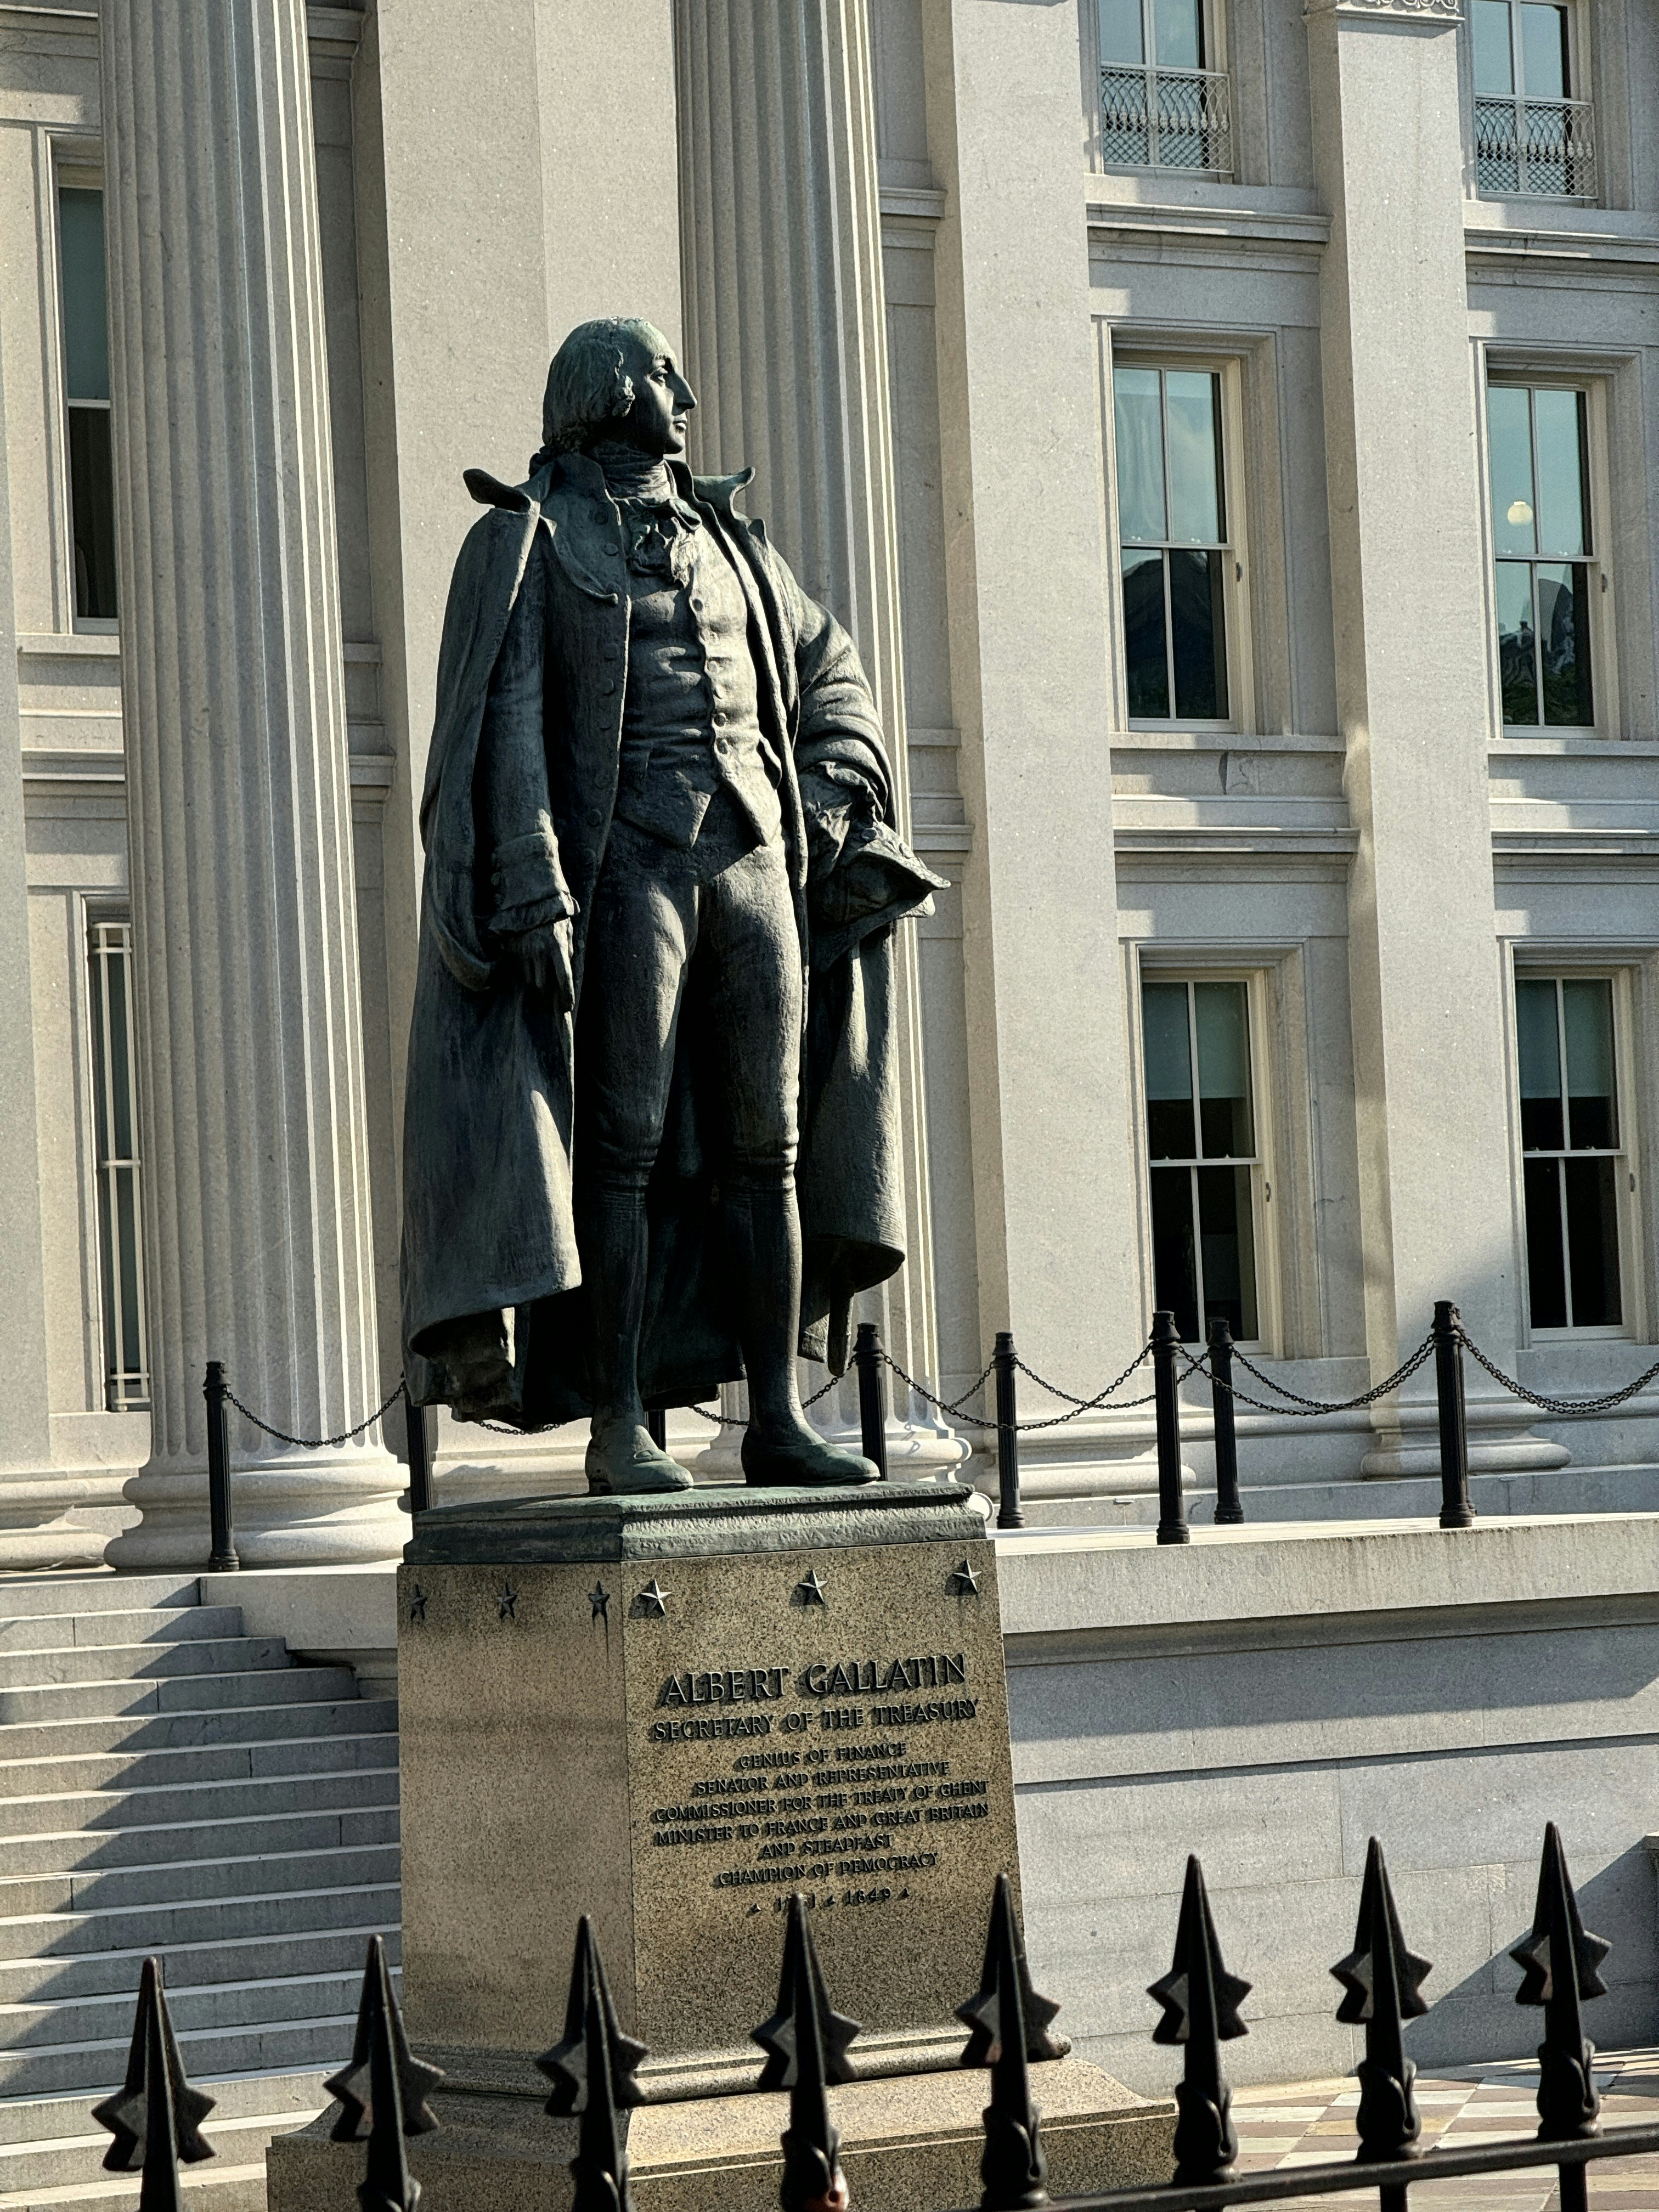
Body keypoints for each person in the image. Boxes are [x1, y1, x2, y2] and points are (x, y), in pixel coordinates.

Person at [400, 317, 941, 1494]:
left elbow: (826, 660)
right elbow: (506, 726)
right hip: (626, 866)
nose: (684, 392)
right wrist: (531, 882)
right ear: (601, 393)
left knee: (771, 1150)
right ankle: (618, 1424)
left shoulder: (731, 540)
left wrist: (844, 787)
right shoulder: (530, 539)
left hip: (751, 858)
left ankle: (778, 1422)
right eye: (659, 374)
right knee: (624, 1147)